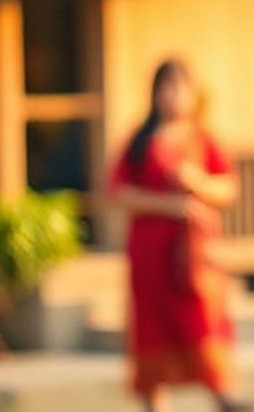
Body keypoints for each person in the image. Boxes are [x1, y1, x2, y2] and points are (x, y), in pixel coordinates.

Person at [105, 59, 246, 412]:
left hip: (195, 254)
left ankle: (224, 394)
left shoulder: (203, 139)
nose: (173, 96)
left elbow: (228, 188)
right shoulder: (140, 141)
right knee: (153, 329)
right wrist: (169, 205)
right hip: (151, 251)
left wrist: (198, 183)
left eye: (181, 87)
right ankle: (156, 403)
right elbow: (118, 191)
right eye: (166, 87)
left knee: (203, 321)